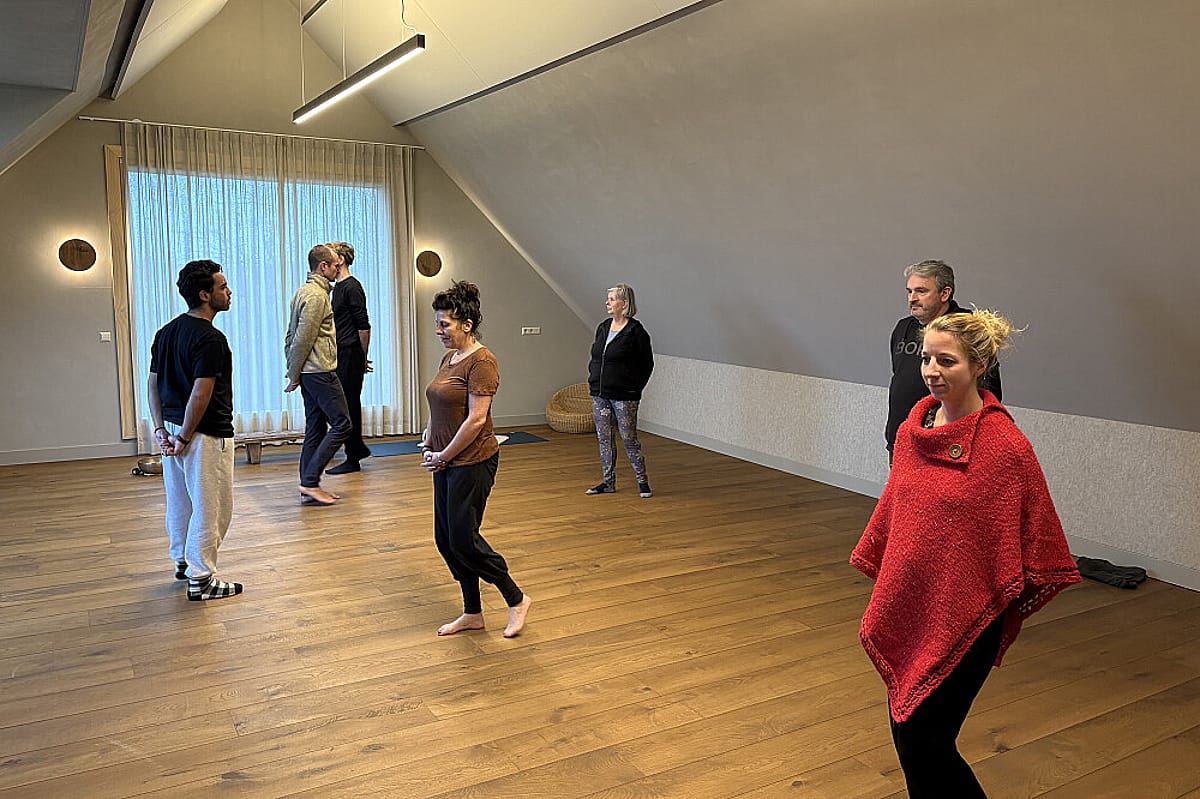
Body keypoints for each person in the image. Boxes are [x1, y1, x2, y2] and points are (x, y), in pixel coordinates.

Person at [851, 309, 1080, 798]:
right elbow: (900, 512)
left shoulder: (1005, 446)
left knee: (927, 741)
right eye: (927, 359)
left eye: (946, 361)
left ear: (980, 366)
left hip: (971, 611)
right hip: (912, 602)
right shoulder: (915, 430)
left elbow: (1031, 533)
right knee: (906, 735)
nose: (931, 371)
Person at [421, 280, 532, 638]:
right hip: (445, 461)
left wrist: (443, 455)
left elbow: (476, 420)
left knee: (464, 539)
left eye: (445, 324)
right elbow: (439, 404)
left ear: (466, 325)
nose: (439, 331)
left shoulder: (483, 362)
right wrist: (429, 440)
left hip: (472, 461)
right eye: (437, 324)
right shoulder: (449, 357)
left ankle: (516, 599)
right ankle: (472, 612)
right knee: (445, 539)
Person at [147, 259, 243, 601]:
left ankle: (183, 562)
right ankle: (201, 579)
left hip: (174, 430)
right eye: (222, 286)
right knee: (211, 507)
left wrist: (161, 430)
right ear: (205, 295)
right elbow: (201, 393)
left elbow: (153, 385)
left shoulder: (166, 332)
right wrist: (186, 437)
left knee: (181, 502)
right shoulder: (210, 339)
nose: (229, 292)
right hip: (204, 434)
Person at [885, 259, 1001, 459]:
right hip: (901, 441)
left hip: (946, 445)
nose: (912, 298)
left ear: (945, 293)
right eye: (909, 291)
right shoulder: (903, 328)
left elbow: (990, 392)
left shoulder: (967, 329)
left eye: (921, 291)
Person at [285, 244, 351, 505]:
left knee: (315, 426)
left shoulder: (304, 292)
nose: (338, 269)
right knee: (342, 424)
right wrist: (293, 373)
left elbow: (291, 336)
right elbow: (301, 339)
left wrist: (295, 370)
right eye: (335, 265)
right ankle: (310, 482)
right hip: (320, 371)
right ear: (323, 267)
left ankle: (307, 486)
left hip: (309, 371)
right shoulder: (316, 296)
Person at [585, 283, 654, 497]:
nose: (607, 302)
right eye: (608, 298)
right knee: (604, 439)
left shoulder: (636, 332)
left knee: (628, 438)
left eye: (612, 299)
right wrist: (594, 379)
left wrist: (634, 388)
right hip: (600, 394)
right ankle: (608, 482)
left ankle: (642, 481)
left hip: (624, 396)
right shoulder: (603, 327)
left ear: (624, 303)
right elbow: (597, 357)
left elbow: (647, 364)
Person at [326, 241, 373, 474]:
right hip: (342, 353)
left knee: (349, 404)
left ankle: (353, 455)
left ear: (341, 260)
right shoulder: (338, 288)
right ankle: (356, 449)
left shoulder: (352, 287)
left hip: (350, 353)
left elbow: (364, 326)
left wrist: (362, 356)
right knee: (343, 403)